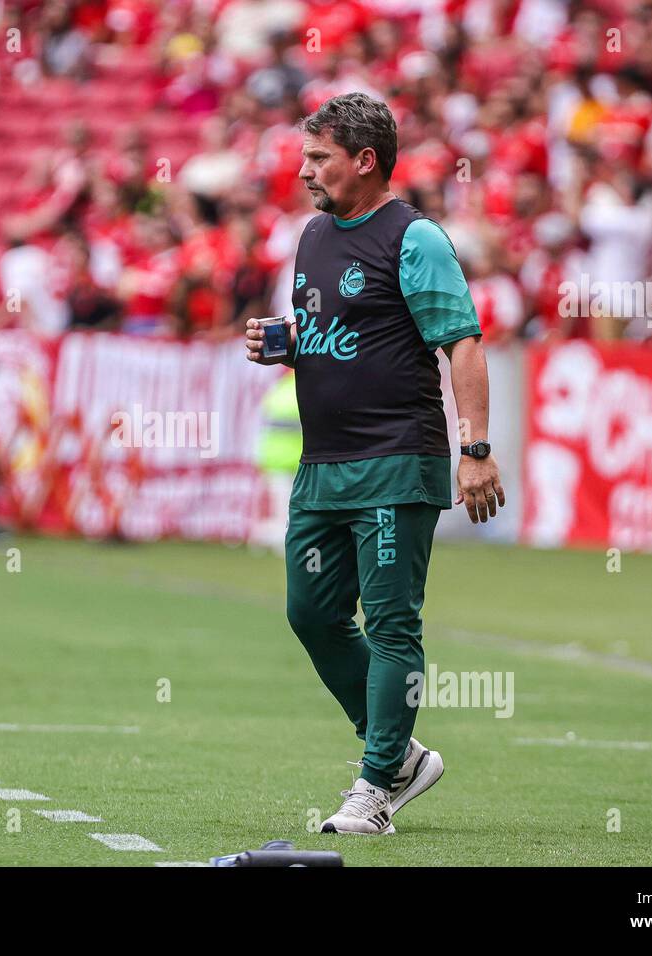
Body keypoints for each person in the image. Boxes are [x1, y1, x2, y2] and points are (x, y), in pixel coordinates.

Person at [245, 93, 505, 835]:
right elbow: (350, 329)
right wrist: (289, 341)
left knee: (392, 624)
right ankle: (401, 753)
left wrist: (475, 449)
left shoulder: (416, 238)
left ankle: (376, 787)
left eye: (319, 158)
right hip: (324, 465)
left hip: (397, 459)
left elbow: (462, 342)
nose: (304, 172)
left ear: (366, 160)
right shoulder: (311, 237)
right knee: (311, 611)